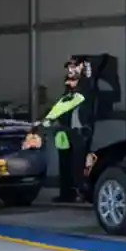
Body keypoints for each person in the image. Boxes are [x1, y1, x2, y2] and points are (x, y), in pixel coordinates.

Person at [42, 61, 92, 203]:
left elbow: (86, 83)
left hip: (79, 132)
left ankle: (81, 192)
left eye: (72, 68)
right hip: (65, 131)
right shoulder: (68, 92)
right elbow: (61, 108)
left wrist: (83, 68)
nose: (69, 72)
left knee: (79, 164)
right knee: (64, 163)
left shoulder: (85, 88)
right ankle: (66, 193)